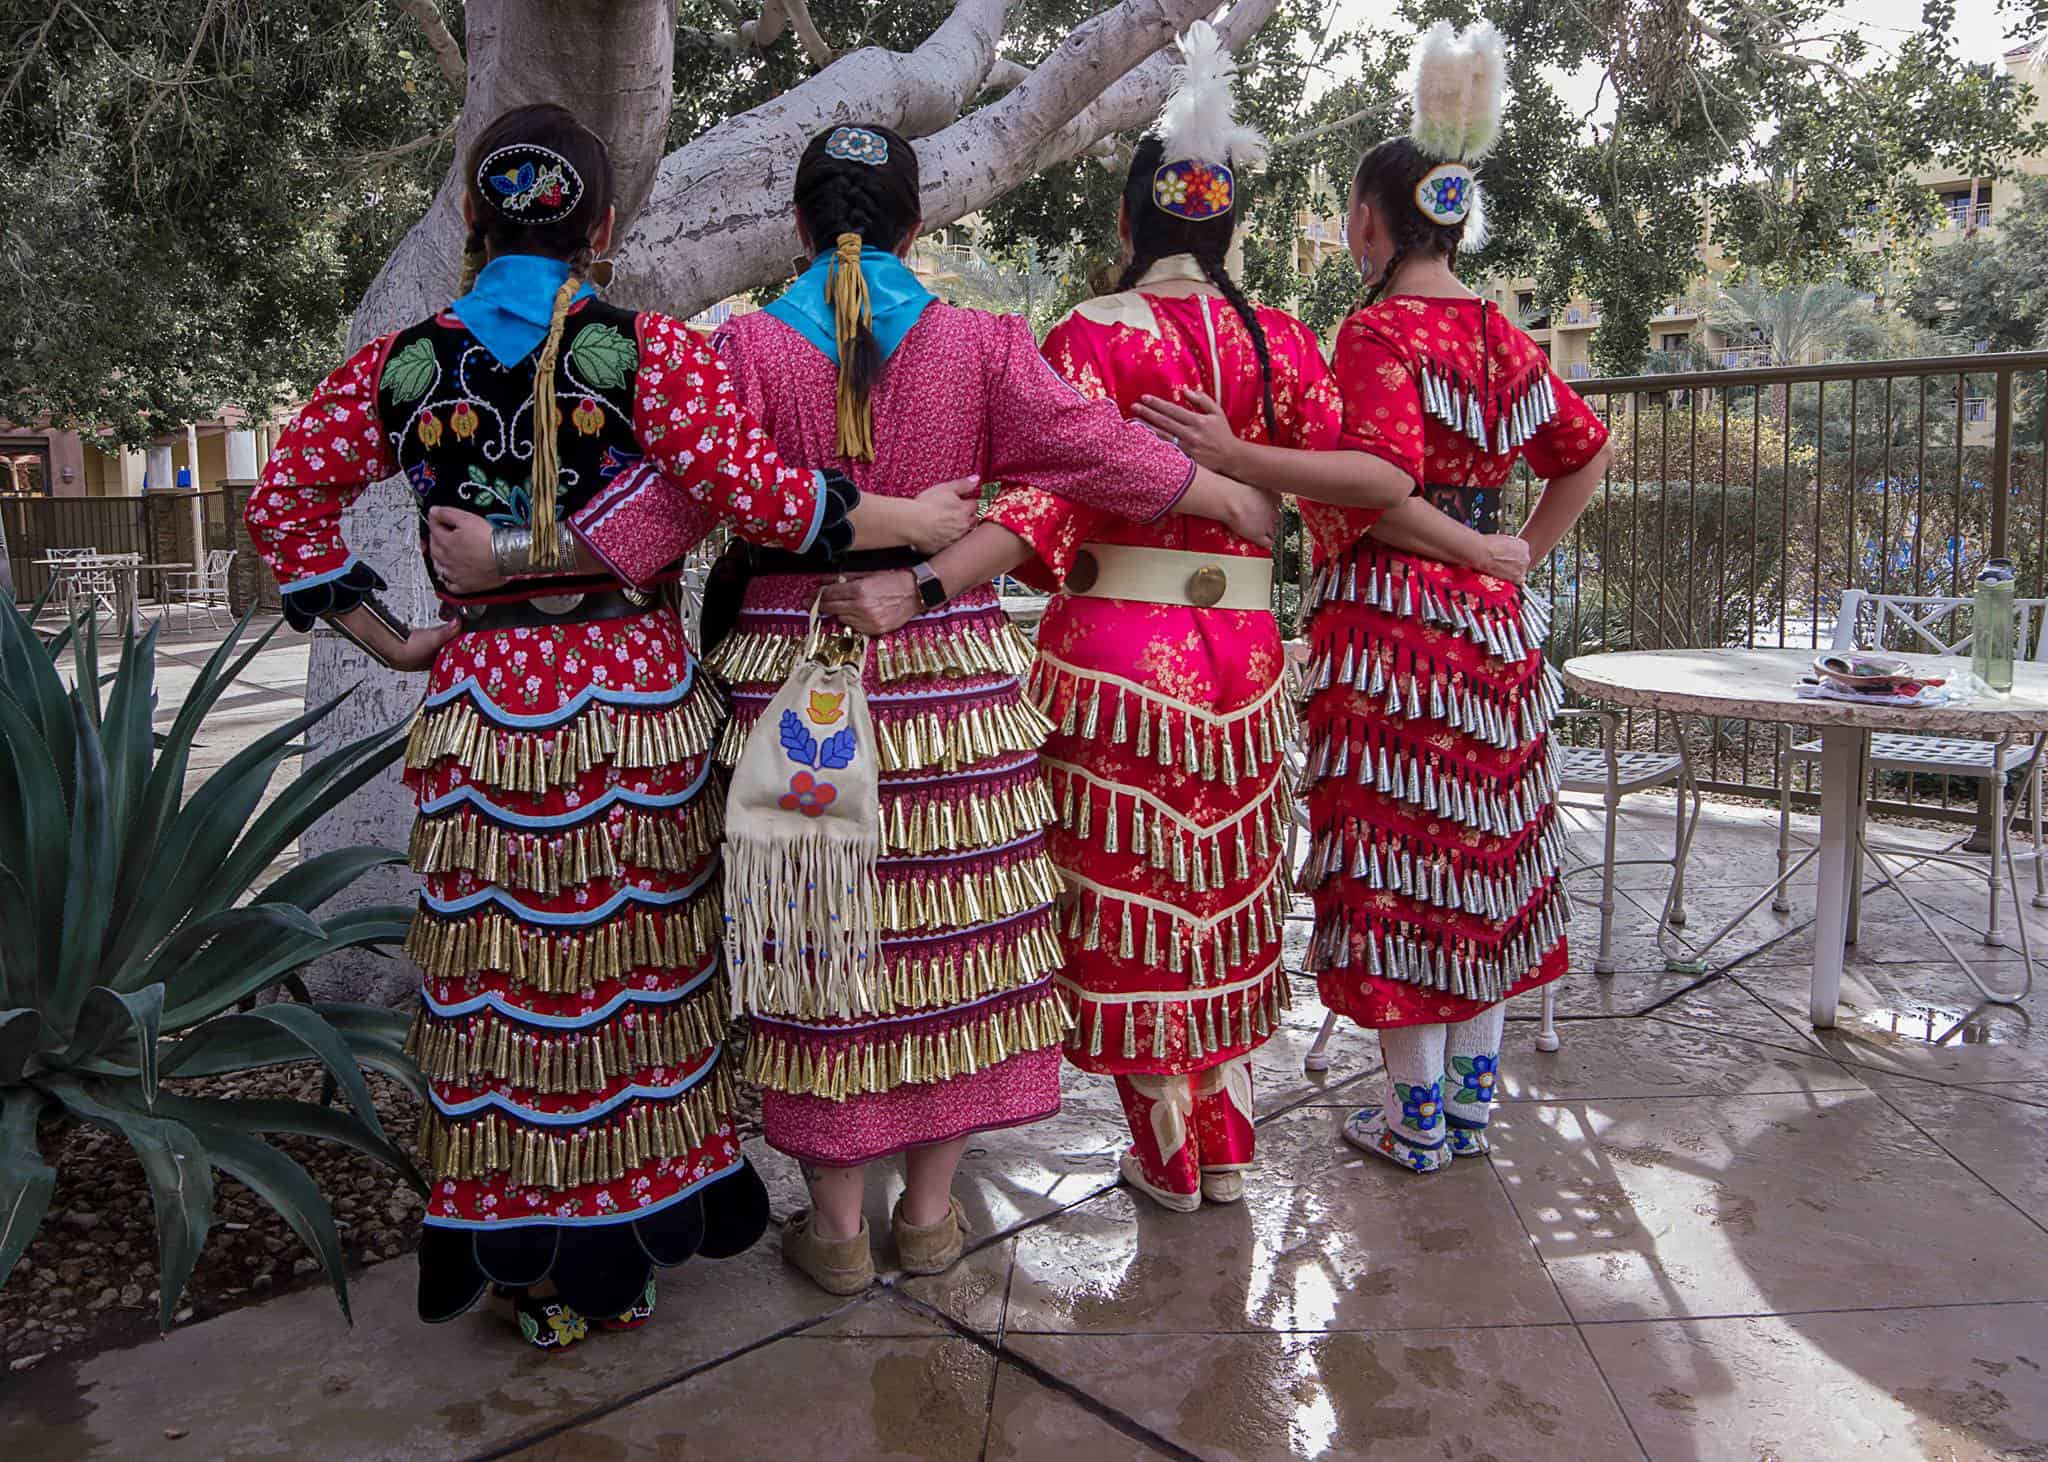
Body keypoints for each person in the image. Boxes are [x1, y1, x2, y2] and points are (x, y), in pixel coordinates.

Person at [246, 104, 965, 1351]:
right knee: (631, 980)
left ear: (475, 222)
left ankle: (525, 1267)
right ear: (606, 228)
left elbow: (285, 505)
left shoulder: (405, 366)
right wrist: (908, 517)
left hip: (481, 710)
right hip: (628, 709)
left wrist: (399, 639)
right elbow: (764, 500)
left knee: (506, 987)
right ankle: (619, 1262)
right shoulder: (656, 358)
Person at [691, 123, 1278, 1292]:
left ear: (800, 227)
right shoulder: (980, 344)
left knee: (822, 938)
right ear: (917, 227)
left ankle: (839, 1231)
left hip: (793, 680)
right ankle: (928, 1214)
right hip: (946, 686)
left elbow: (685, 495)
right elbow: (1091, 453)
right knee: (950, 938)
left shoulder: (746, 352)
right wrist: (1222, 488)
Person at [1139, 21, 1610, 1175]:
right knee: (1486, 860)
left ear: (1368, 221)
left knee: (1401, 864)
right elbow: (1585, 451)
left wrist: (1239, 456)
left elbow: (1380, 481)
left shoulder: (1376, 331)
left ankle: (1409, 1122)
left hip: (1399, 632)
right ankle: (1465, 1112)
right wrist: (1515, 552)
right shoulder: (1503, 335)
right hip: (1493, 639)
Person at [968, 25, 1374, 1211]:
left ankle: (1165, 1147)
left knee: (1128, 877)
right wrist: (1256, 503)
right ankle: (1225, 1130)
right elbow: (1334, 499)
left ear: (1128, 229)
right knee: (1227, 873)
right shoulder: (1286, 345)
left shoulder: (1088, 338)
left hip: (1111, 656)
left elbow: (1044, 503)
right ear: (1228, 231)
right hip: (1243, 656)